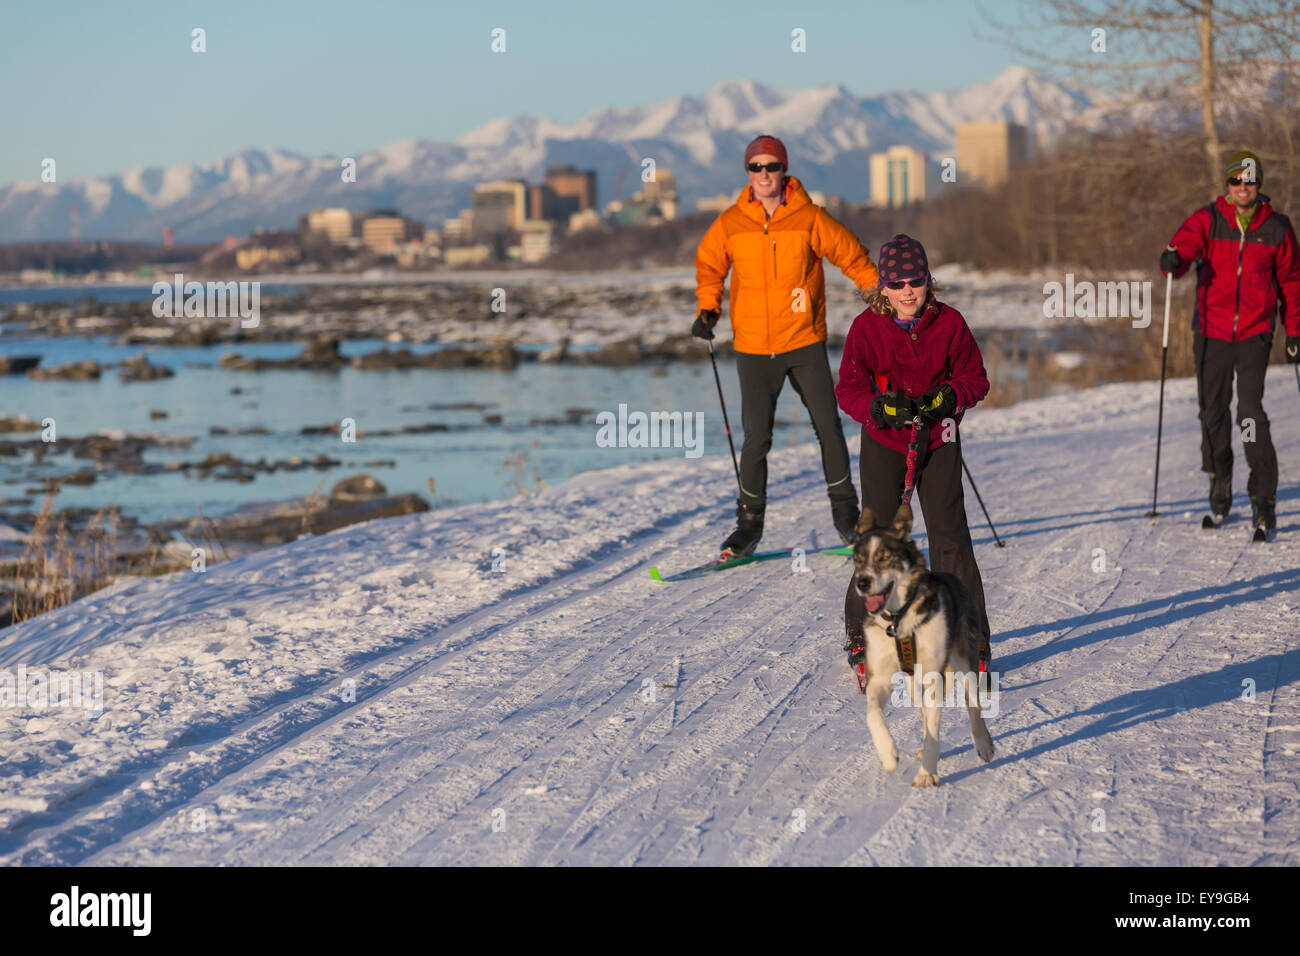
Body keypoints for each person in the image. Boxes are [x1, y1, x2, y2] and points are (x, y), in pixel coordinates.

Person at [694, 134, 879, 555]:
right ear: (748, 173)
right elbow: (709, 265)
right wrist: (709, 310)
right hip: (754, 347)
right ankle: (748, 527)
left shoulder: (810, 218)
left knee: (828, 427)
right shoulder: (730, 222)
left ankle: (847, 518)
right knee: (756, 438)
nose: (764, 175)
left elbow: (851, 255)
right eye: (755, 167)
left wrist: (878, 294)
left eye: (771, 166)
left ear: (784, 170)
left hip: (803, 341)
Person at [835, 234, 992, 668]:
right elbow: (847, 389)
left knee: (950, 539)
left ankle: (970, 638)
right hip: (885, 442)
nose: (908, 291)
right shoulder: (867, 328)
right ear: (883, 287)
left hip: (938, 439)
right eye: (898, 282)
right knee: (877, 541)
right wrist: (878, 407)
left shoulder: (950, 324)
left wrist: (950, 397)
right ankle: (862, 642)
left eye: (916, 281)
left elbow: (977, 380)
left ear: (929, 281)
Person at [1162, 149, 1300, 532]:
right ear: (1228, 185)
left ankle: (1262, 494)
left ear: (1259, 185)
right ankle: (1220, 478)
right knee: (1213, 414)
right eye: (1237, 181)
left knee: (1250, 414)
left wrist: (1295, 332)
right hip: (1211, 332)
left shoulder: (1277, 228)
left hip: (1254, 333)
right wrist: (1172, 260)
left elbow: (1292, 282)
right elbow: (1181, 250)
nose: (1244, 187)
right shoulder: (1209, 219)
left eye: (1250, 181)